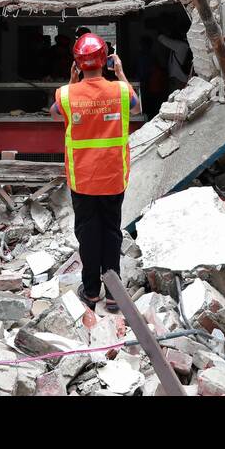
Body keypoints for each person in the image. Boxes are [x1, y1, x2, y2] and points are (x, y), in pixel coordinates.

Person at [51, 32, 141, 313]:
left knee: (88, 234)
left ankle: (90, 292)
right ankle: (114, 294)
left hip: (83, 179)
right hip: (113, 176)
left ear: (77, 63)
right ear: (106, 60)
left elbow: (56, 113)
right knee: (112, 232)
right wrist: (122, 73)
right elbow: (136, 107)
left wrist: (71, 81)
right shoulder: (122, 91)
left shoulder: (66, 94)